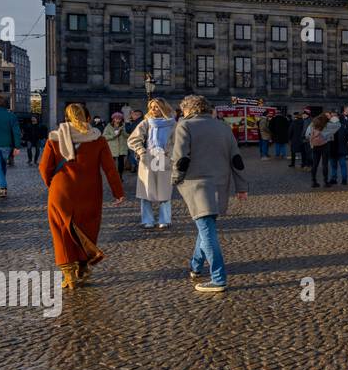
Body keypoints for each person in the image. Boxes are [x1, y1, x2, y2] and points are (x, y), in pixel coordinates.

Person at [40, 103, 123, 290]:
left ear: (66, 118)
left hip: (61, 191)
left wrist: (51, 184)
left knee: (62, 230)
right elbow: (110, 169)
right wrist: (118, 192)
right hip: (89, 191)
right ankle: (83, 267)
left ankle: (68, 274)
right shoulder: (97, 139)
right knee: (87, 228)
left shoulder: (54, 139)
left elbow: (44, 169)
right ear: (87, 118)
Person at [171, 94, 248, 292]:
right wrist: (241, 187)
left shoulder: (185, 126)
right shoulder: (223, 127)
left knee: (206, 230)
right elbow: (236, 160)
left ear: (188, 109)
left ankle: (218, 278)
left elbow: (181, 159)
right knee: (206, 226)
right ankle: (195, 267)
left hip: (196, 184)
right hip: (221, 183)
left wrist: (175, 179)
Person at [128, 97, 177, 229]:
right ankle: (147, 219)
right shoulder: (146, 123)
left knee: (164, 191)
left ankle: (165, 219)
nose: (153, 110)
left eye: (156, 107)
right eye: (151, 107)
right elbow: (133, 139)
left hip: (164, 158)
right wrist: (142, 152)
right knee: (146, 191)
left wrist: (170, 154)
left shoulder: (173, 124)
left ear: (163, 108)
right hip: (148, 158)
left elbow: (177, 142)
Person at [328, 114, 348, 186]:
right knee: (340, 165)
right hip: (337, 149)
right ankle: (341, 180)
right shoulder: (343, 126)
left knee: (336, 166)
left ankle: (336, 179)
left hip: (335, 149)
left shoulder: (330, 127)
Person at [103, 112, 129, 177]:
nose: (118, 120)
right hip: (112, 147)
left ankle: (120, 175)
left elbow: (127, 136)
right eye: (116, 118)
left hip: (121, 147)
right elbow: (104, 136)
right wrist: (114, 135)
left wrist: (123, 132)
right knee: (112, 162)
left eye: (119, 118)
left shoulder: (123, 126)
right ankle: (113, 175)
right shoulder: (109, 126)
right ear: (113, 119)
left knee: (121, 162)